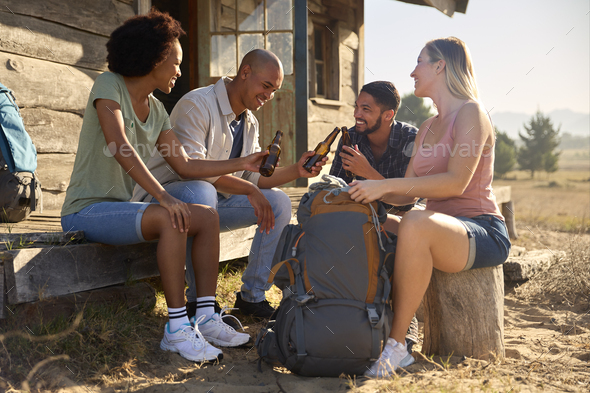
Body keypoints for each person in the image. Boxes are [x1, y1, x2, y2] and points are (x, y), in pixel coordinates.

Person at [61, 10, 261, 363]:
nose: (180, 71)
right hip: (86, 211)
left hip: (122, 209)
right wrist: (163, 196)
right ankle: (175, 328)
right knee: (173, 216)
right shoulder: (109, 86)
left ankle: (204, 316)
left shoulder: (157, 111)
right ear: (153, 58)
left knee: (207, 218)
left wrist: (242, 163)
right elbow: (120, 145)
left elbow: (185, 165)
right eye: (176, 62)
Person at [349, 37, 511, 377]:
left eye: (419, 62)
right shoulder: (426, 127)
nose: (412, 71)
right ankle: (351, 324)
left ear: (440, 66)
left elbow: (456, 183)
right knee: (366, 219)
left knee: (416, 223)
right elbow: (406, 197)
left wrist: (382, 185)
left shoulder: (471, 113)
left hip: (480, 230)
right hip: (434, 226)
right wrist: (369, 192)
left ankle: (397, 347)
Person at [132, 49, 326, 319]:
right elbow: (191, 171)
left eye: (274, 91)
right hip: (163, 203)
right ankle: (199, 302)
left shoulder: (249, 122)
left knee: (278, 201)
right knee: (203, 190)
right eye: (266, 86)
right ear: (245, 72)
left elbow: (253, 177)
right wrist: (248, 188)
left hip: (210, 205)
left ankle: (252, 297)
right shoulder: (197, 104)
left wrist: (297, 169)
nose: (269, 96)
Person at [330, 81, 418, 217]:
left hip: (408, 215)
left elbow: (407, 201)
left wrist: (368, 172)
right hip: (366, 211)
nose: (356, 114)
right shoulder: (351, 138)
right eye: (356, 107)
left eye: (365, 109)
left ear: (388, 115)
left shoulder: (411, 140)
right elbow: (334, 188)